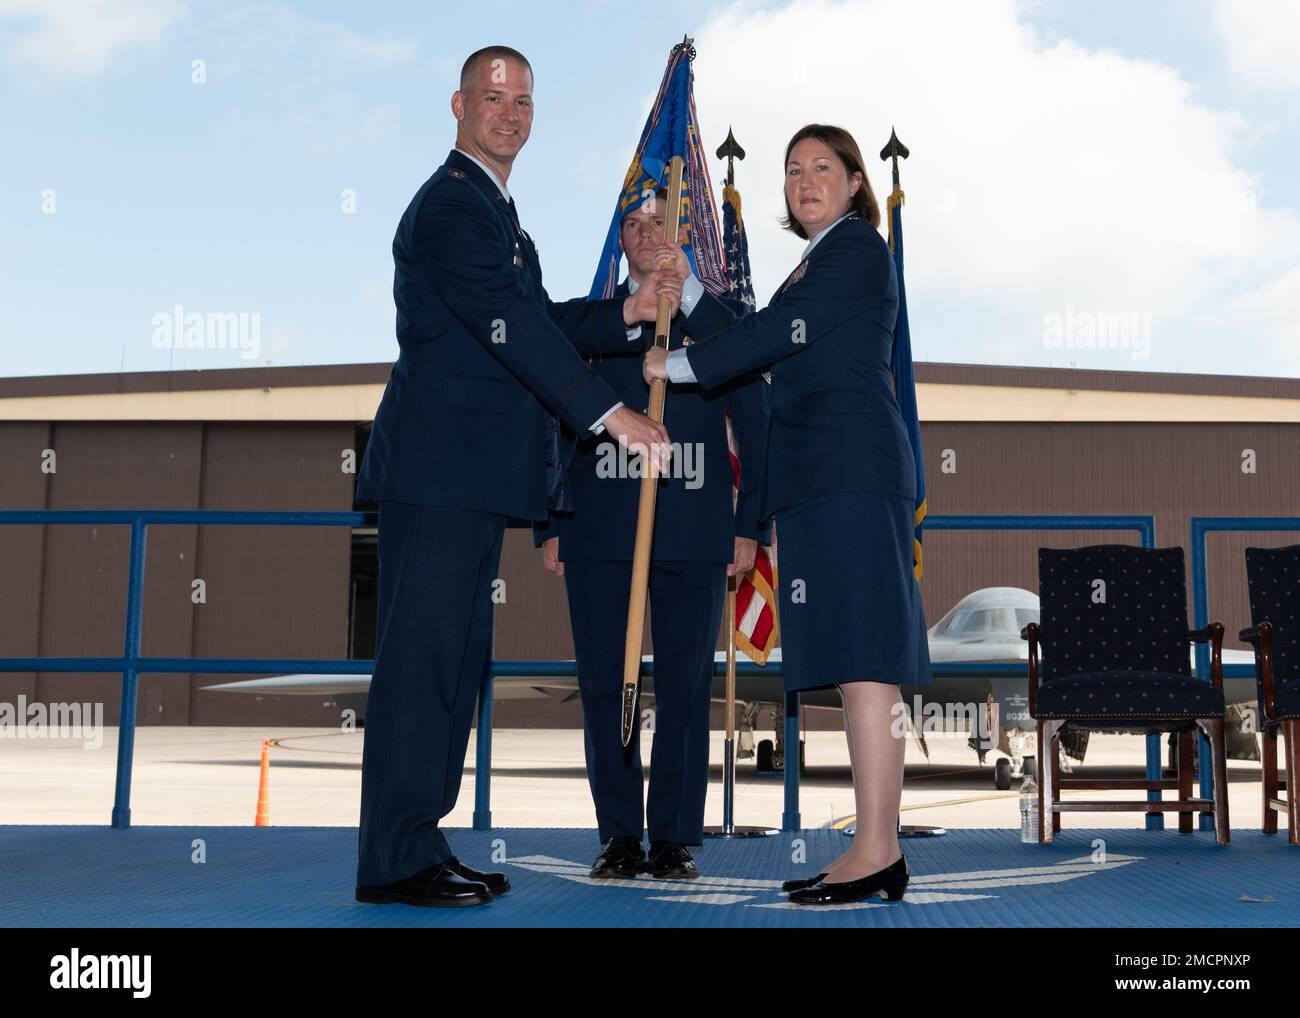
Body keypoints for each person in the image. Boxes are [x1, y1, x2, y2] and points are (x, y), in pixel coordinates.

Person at [353, 45, 682, 908]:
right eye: (493, 97)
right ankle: (393, 858)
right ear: (457, 105)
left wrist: (627, 312)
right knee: (424, 664)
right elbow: (511, 325)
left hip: (469, 480)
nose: (510, 113)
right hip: (436, 475)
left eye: (523, 100)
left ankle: (417, 842)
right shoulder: (453, 208)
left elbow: (539, 318)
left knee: (455, 668)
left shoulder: (498, 214)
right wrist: (609, 414)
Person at [643, 123, 932, 906]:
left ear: (853, 183)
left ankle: (878, 848)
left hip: (854, 476)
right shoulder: (814, 264)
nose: (805, 181)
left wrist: (677, 363)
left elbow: (766, 340)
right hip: (822, 483)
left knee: (869, 661)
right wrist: (695, 294)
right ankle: (875, 847)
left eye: (822, 168)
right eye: (793, 170)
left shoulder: (857, 251)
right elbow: (762, 332)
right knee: (852, 662)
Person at [535, 189, 770, 880]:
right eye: (632, 224)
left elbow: (758, 422)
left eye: (658, 221)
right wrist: (551, 521)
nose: (644, 233)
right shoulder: (591, 324)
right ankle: (618, 834)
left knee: (686, 689)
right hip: (600, 528)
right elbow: (550, 409)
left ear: (684, 232)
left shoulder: (714, 326)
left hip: (697, 530)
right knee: (606, 684)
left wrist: (750, 524)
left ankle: (671, 835)